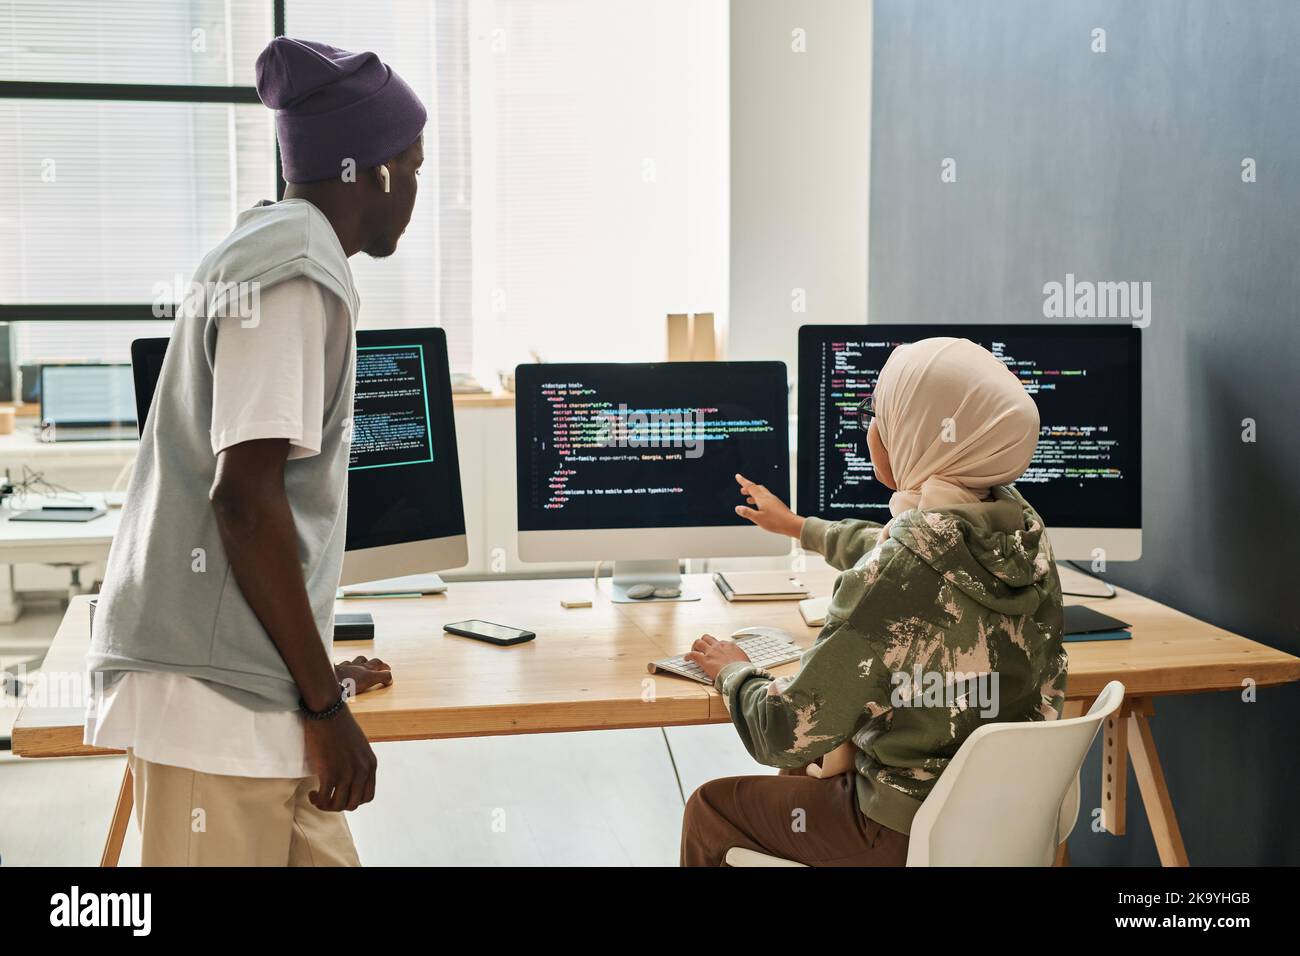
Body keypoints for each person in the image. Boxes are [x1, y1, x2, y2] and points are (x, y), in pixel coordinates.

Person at [83, 37, 428, 866]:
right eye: (413, 167)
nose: (415, 188)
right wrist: (323, 708)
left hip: (249, 685)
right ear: (372, 172)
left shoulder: (273, 250)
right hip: (215, 708)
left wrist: (317, 678)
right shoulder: (293, 276)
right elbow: (243, 500)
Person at [679, 336, 1069, 867]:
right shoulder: (1023, 534)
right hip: (1011, 819)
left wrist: (735, 673)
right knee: (809, 768)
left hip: (905, 830)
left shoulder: (893, 574)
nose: (872, 429)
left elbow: (783, 731)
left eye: (881, 412)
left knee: (711, 807)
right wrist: (800, 527)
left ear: (921, 433)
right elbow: (906, 551)